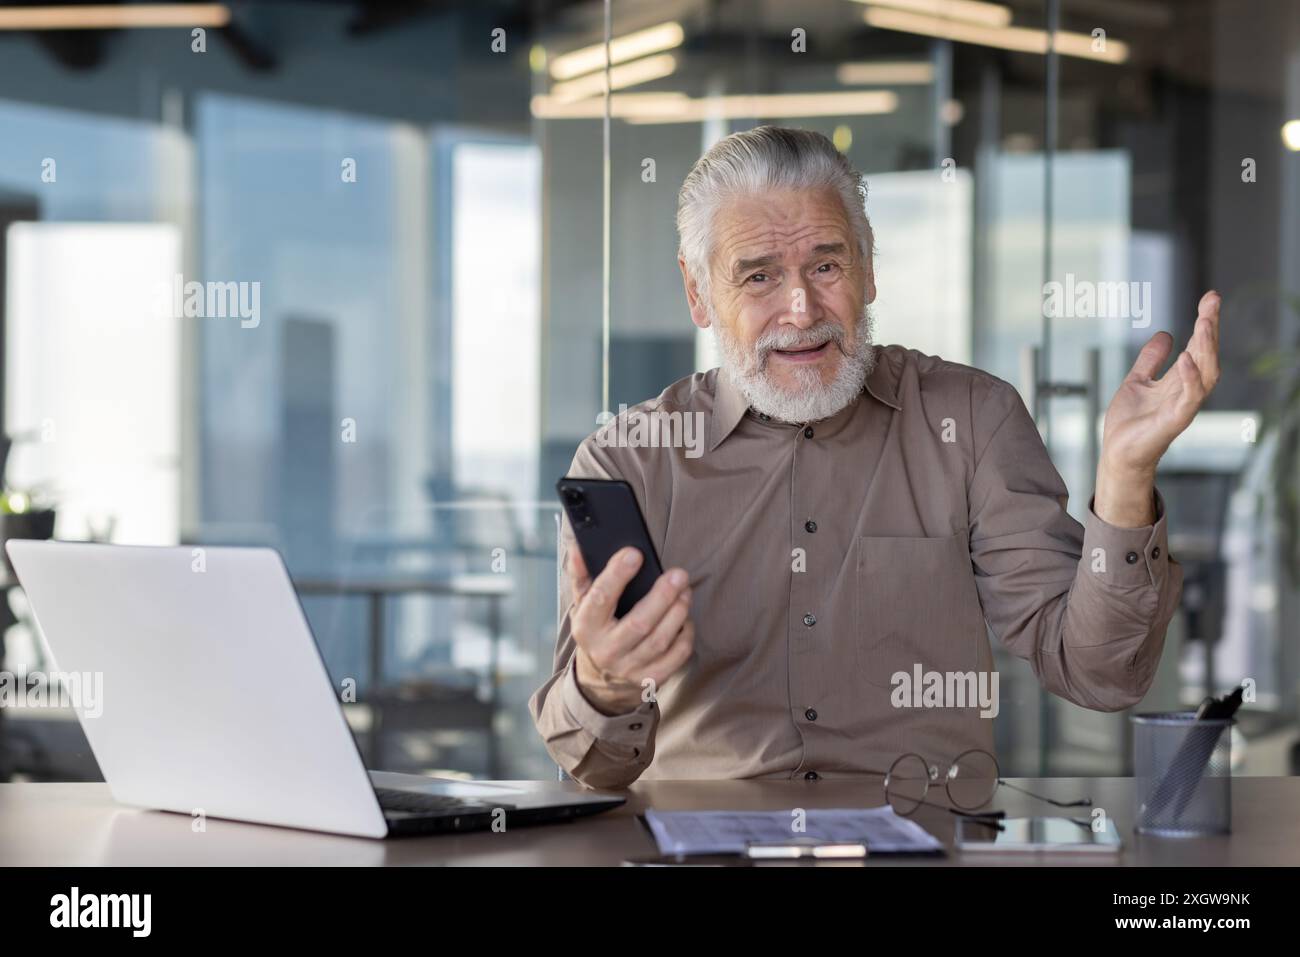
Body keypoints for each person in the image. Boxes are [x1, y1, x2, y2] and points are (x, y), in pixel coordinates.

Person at [531, 126, 1217, 788]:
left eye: (826, 265)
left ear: (868, 269)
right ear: (698, 293)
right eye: (760, 276)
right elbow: (593, 764)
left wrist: (1126, 476)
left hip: (926, 838)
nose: (801, 309)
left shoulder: (972, 420)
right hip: (704, 848)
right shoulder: (629, 462)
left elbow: (1100, 673)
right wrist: (605, 683)